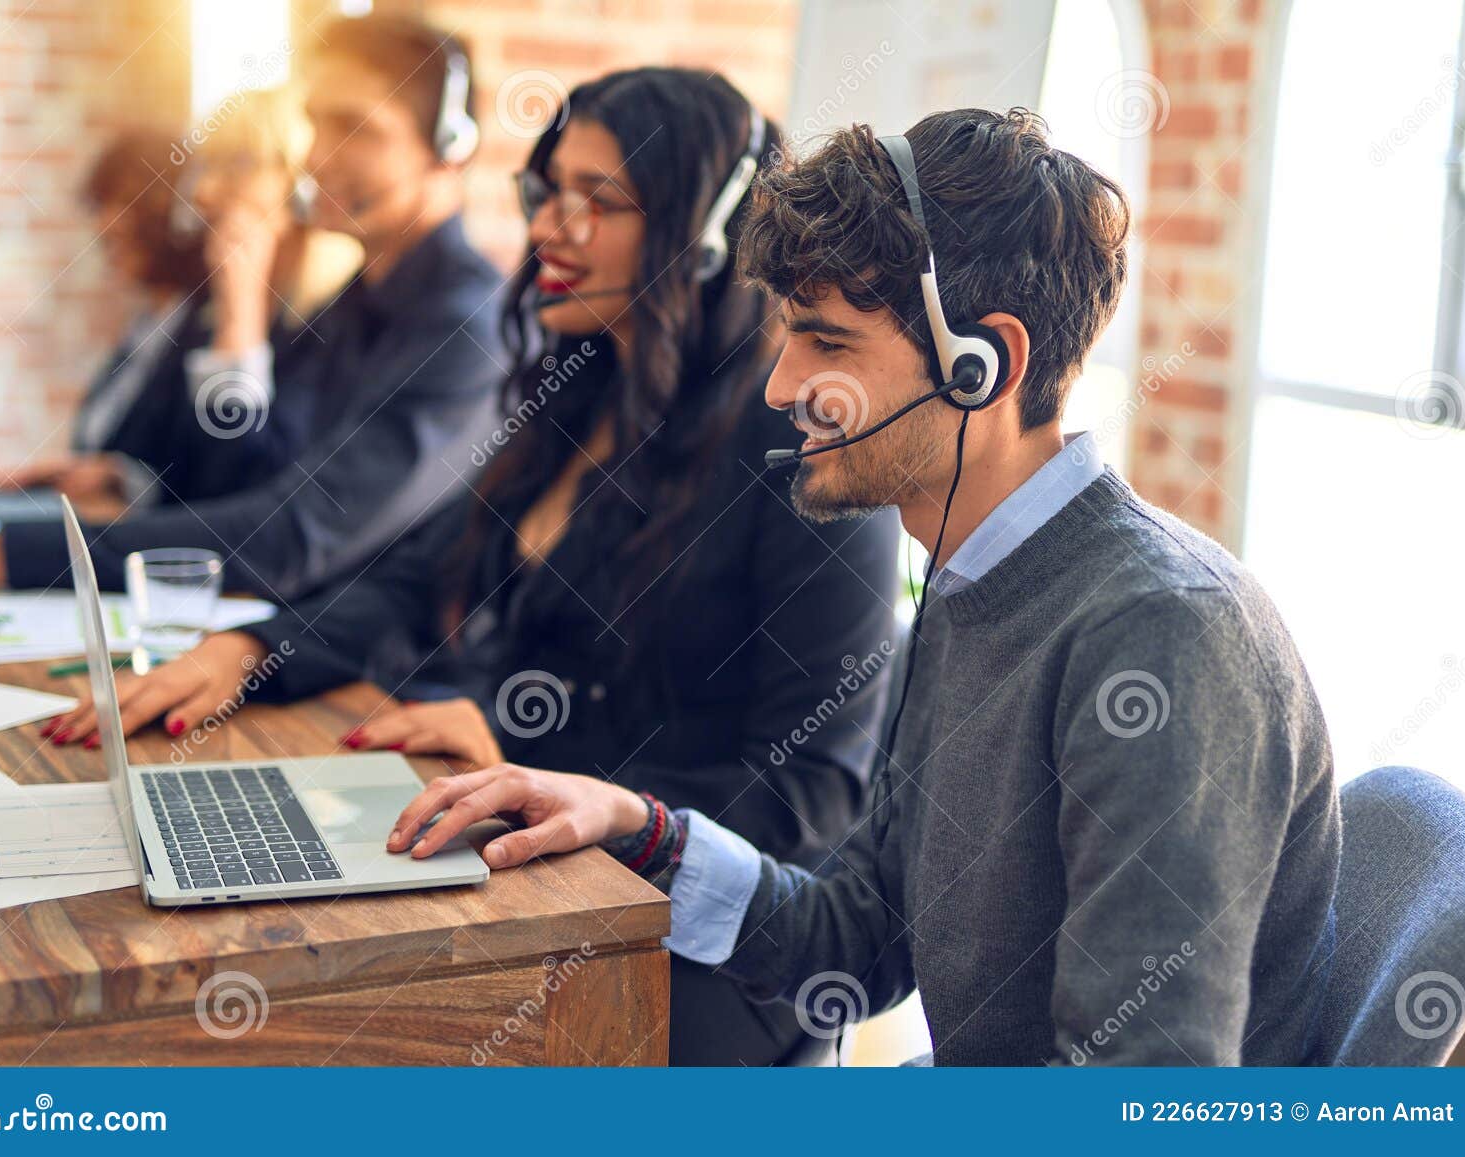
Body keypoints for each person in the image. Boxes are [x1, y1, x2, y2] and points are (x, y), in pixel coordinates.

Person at [375, 110, 1343, 1067]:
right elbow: (864, 939)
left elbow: (1143, 1086)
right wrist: (637, 825)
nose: (779, 385)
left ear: (981, 366)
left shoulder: (1160, 632)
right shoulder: (975, 584)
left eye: (827, 345)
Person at [45, 68, 901, 1067]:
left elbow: (810, 796)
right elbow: (418, 579)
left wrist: (548, 765)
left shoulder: (802, 449)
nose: (553, 227)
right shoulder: (579, 394)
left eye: (603, 201)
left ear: (706, 235)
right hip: (532, 872)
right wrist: (254, 649)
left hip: (695, 953)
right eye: (549, 193)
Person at [0, 16, 502, 601]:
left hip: (381, 673)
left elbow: (294, 535)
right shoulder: (358, 303)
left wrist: (3, 557)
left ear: (451, 146)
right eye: (317, 124)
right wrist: (126, 484)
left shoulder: (465, 327)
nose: (318, 157)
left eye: (356, 128)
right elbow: (244, 490)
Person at [0, 99, 362, 515]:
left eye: (236, 165)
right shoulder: (228, 317)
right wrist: (122, 478)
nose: (203, 191)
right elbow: (195, 475)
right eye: (207, 168)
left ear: (304, 186)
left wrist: (241, 318)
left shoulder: (335, 323)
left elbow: (247, 491)